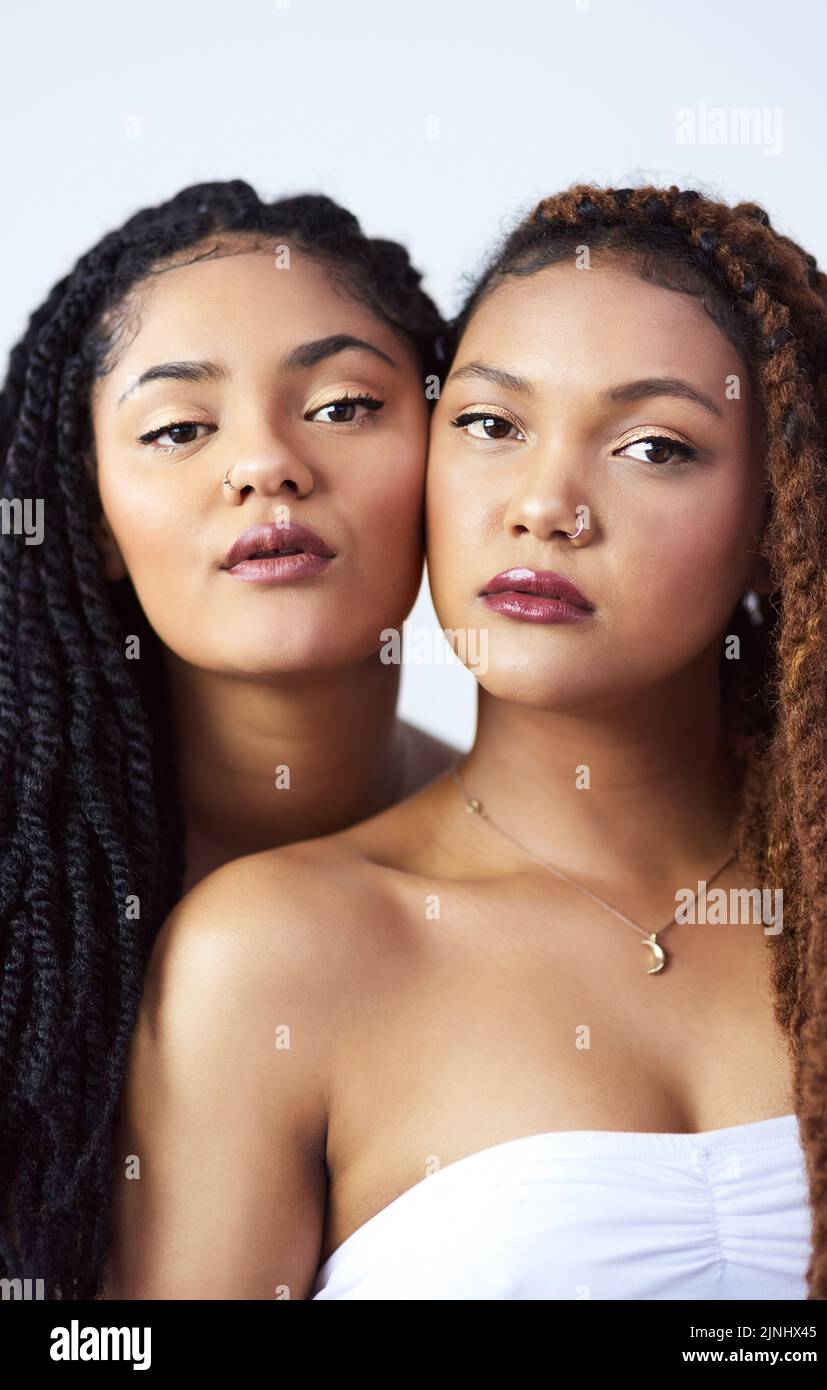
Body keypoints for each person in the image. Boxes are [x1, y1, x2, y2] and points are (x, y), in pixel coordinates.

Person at [105, 183, 827, 1300]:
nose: (545, 503)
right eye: (492, 425)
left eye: (654, 446)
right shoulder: (267, 955)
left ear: (778, 520)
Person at [0, 179, 457, 1296]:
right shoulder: (30, 911)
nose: (265, 464)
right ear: (95, 518)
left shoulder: (561, 875)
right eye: (177, 428)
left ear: (456, 450)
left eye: (344, 405)